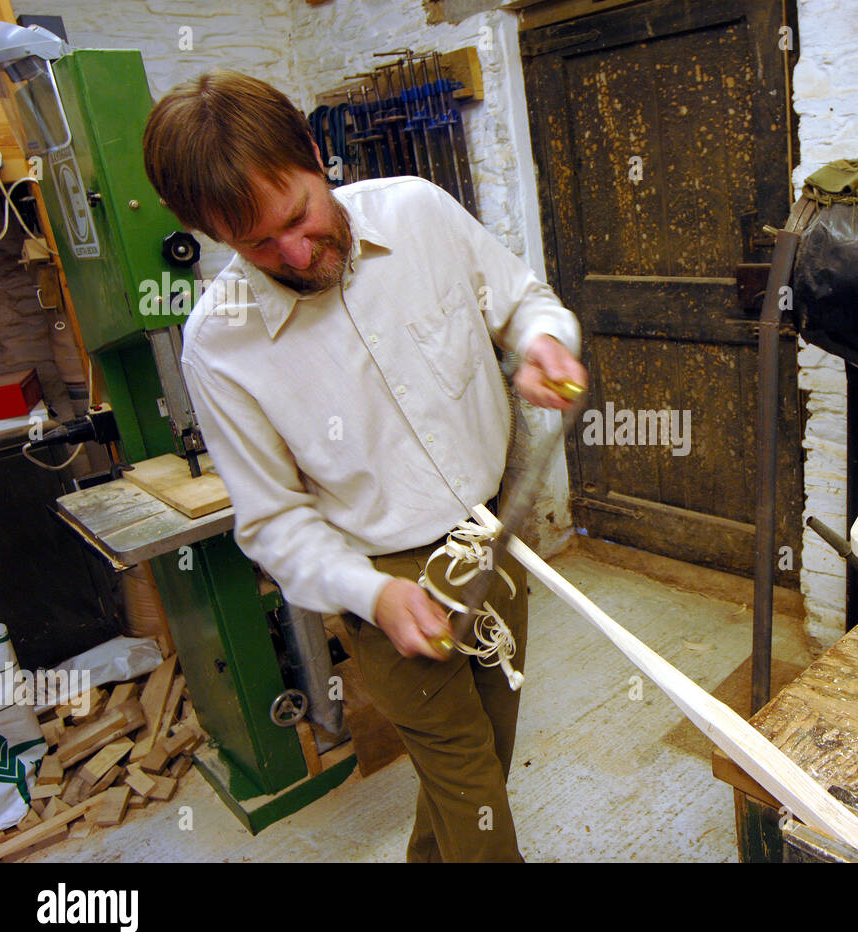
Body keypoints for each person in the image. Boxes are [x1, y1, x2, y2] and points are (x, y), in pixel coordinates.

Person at [142, 70, 585, 862]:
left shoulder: (417, 213)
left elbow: (523, 299)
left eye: (298, 216)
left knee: (483, 760)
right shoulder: (221, 343)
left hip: (495, 535)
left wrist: (543, 338)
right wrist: (371, 593)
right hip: (387, 578)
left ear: (317, 152)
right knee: (474, 793)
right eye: (256, 244)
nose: (294, 253)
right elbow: (273, 519)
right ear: (215, 236)